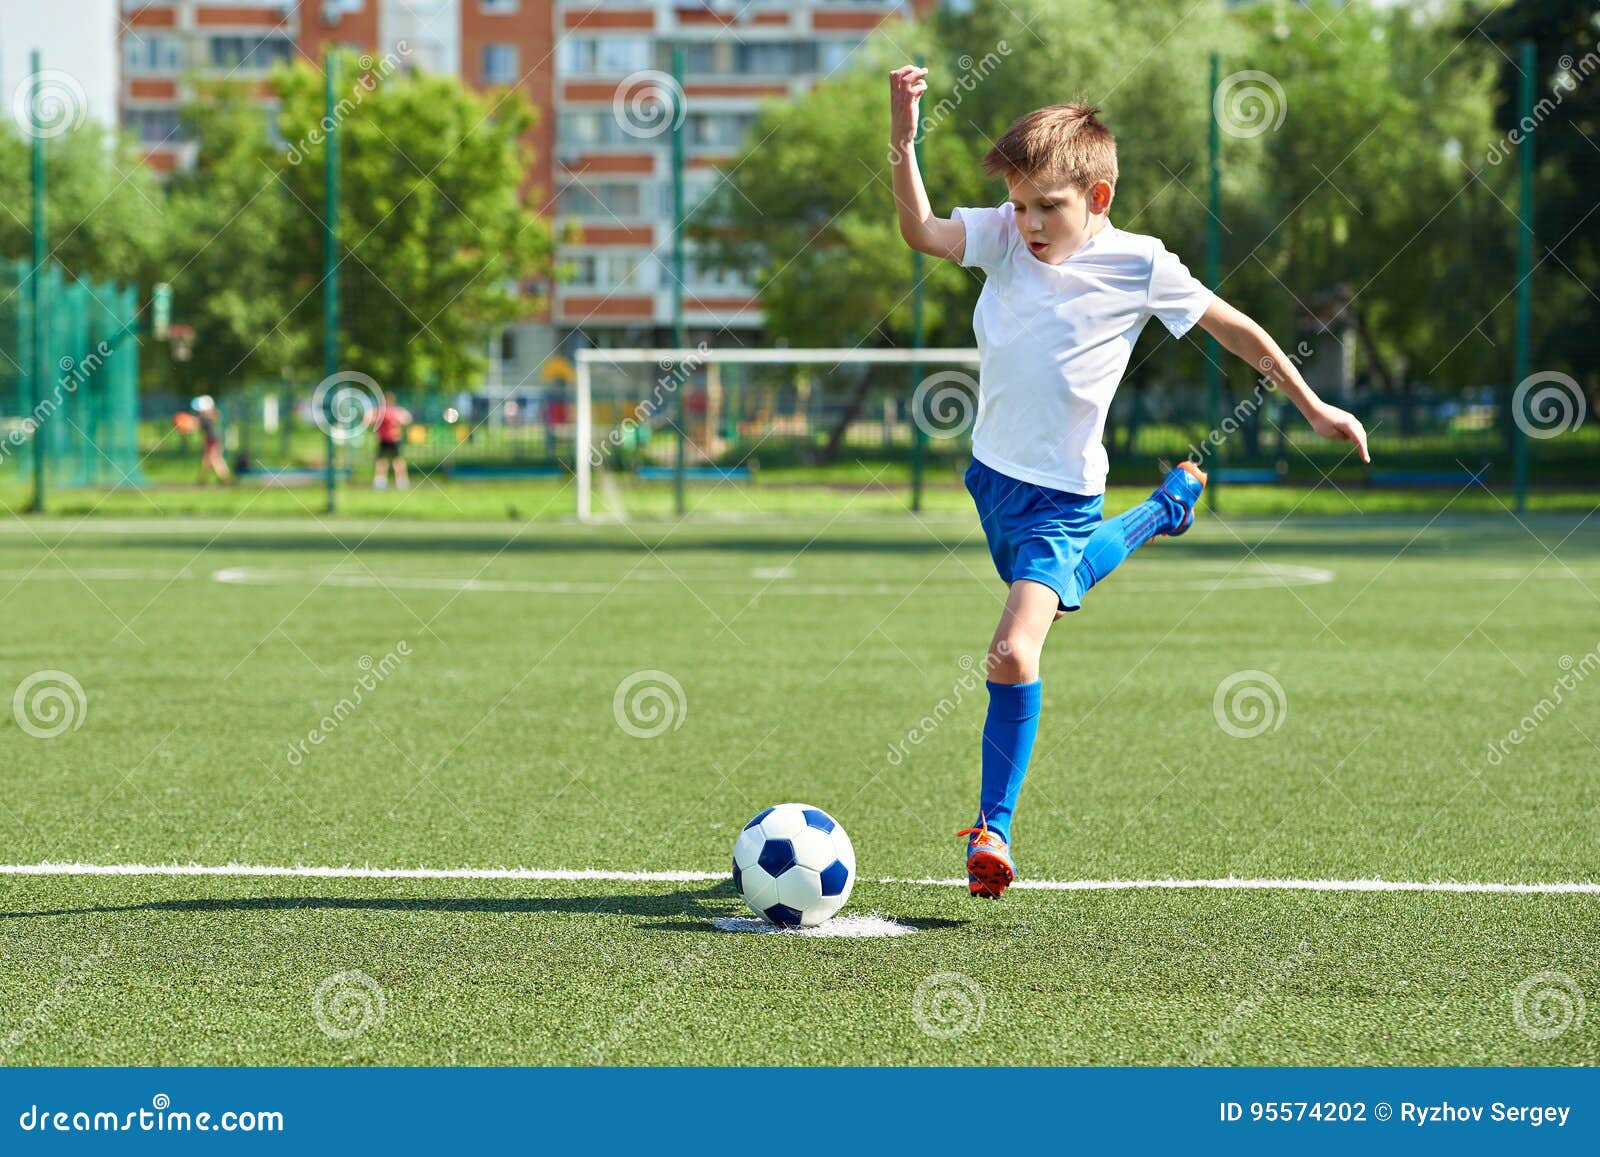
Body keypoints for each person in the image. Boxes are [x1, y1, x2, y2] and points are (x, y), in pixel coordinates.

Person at [888, 67, 1370, 898]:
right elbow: (924, 233)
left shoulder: (1139, 264)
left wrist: (1316, 403)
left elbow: (1241, 331)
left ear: (1098, 197)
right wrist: (903, 143)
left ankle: (992, 829)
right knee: (1068, 573)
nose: (1030, 222)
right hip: (992, 482)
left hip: (1061, 497)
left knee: (1013, 649)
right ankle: (1166, 507)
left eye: (1050, 206)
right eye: (1020, 202)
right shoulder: (1004, 237)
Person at [371, 392, 412, 490]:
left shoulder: (396, 411)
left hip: (394, 440)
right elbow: (370, 420)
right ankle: (380, 482)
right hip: (383, 440)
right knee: (382, 461)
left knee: (397, 461)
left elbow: (407, 419)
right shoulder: (380, 412)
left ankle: (402, 481)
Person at [191, 395, 231, 484]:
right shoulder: (210, 416)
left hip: (212, 440)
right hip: (212, 440)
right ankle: (203, 478)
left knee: (214, 459)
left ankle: (224, 478)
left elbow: (196, 424)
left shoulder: (206, 418)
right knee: (208, 459)